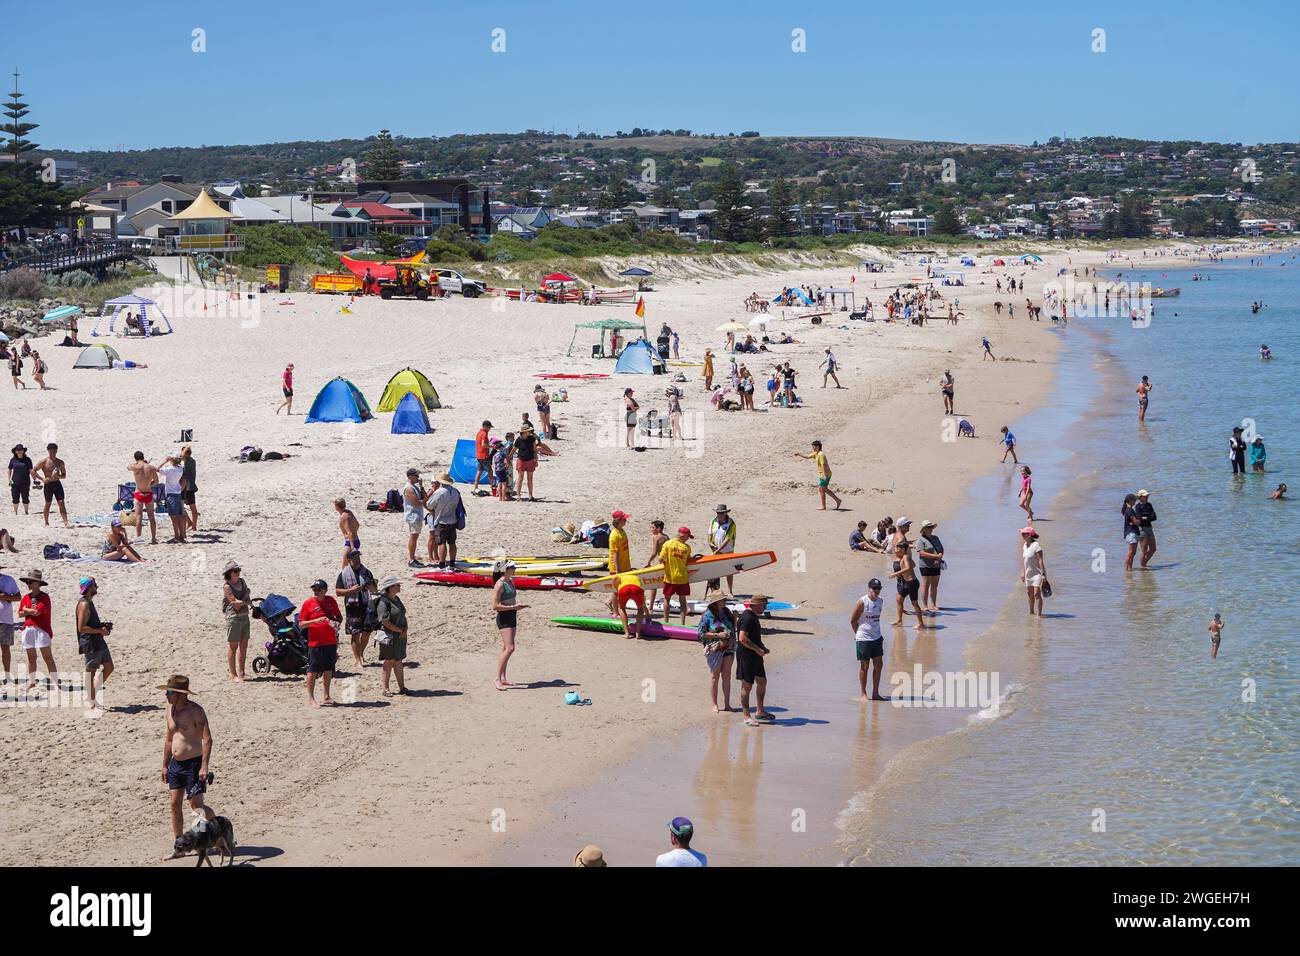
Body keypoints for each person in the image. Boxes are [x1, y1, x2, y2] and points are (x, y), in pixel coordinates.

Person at [159, 675, 216, 860]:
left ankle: (214, 827)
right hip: (176, 765)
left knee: (196, 806)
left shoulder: (195, 711)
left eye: (169, 692)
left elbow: (207, 739)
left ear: (180, 694)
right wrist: (165, 764)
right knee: (174, 804)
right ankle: (179, 847)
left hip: (193, 764)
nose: (166, 695)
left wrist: (204, 766)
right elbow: (169, 739)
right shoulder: (170, 710)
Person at [72, 576, 113, 710]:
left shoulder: (89, 601)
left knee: (109, 667)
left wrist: (102, 626)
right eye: (95, 584)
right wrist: (99, 630)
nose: (97, 586)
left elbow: (89, 623)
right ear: (90, 587)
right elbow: (81, 628)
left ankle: (92, 691)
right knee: (91, 672)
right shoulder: (84, 604)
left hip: (97, 640)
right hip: (90, 642)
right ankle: (91, 699)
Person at [300, 579, 342, 706]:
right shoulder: (308, 603)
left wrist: (335, 624)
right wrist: (315, 621)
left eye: (318, 590)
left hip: (330, 641)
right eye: (314, 590)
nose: (316, 592)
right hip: (315, 643)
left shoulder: (331, 601)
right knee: (312, 670)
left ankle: (326, 696)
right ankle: (311, 698)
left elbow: (339, 617)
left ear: (325, 590)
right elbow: (301, 624)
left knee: (328, 669)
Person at [17, 569, 58, 694]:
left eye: (30, 581)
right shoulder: (26, 597)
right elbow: (19, 613)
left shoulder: (44, 597)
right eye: (27, 582)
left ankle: (56, 684)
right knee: (31, 658)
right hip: (28, 629)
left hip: (42, 629)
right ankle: (32, 682)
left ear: (37, 583)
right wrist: (28, 610)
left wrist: (26, 610)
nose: (28, 584)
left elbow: (37, 612)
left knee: (48, 657)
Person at [735, 594, 773, 725]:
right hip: (746, 656)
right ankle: (746, 716)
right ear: (757, 605)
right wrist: (757, 649)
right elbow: (742, 638)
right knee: (747, 685)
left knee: (762, 681)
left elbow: (754, 637)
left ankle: (760, 711)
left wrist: (762, 647)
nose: (765, 607)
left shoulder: (753, 617)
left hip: (755, 655)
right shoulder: (747, 618)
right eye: (764, 605)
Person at [336, 549, 376, 668]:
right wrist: (351, 591)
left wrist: (371, 587)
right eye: (354, 558)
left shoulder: (366, 572)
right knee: (355, 634)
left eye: (358, 557)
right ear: (349, 560)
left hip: (366, 605)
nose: (357, 559)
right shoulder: (343, 574)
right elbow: (338, 591)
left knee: (367, 633)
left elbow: (375, 589)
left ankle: (361, 654)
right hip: (352, 607)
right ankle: (357, 659)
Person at [492, 560, 528, 689]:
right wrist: (514, 606)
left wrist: (516, 607)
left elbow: (510, 600)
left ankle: (503, 678)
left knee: (505, 648)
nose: (515, 568)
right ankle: (497, 679)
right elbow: (495, 606)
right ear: (505, 570)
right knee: (510, 648)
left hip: (512, 615)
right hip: (504, 617)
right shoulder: (499, 584)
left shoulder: (510, 581)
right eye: (512, 567)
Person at [851, 579, 888, 701]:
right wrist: (858, 634)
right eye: (874, 589)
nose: (877, 591)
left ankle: (875, 693)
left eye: (879, 588)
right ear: (869, 589)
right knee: (864, 666)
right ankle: (863, 693)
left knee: (879, 665)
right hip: (864, 638)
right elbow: (853, 620)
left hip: (877, 637)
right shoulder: (862, 602)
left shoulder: (881, 601)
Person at [697, 593, 735, 712]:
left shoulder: (727, 612)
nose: (724, 601)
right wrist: (717, 635)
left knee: (727, 676)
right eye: (722, 600)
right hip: (714, 648)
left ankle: (727, 704)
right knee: (715, 676)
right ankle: (714, 704)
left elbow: (733, 628)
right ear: (715, 602)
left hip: (729, 647)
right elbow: (700, 634)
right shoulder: (707, 615)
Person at [375, 575, 409, 696]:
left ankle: (402, 687)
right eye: (397, 585)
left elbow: (402, 615)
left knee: (398, 660)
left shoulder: (396, 599)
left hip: (399, 636)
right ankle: (385, 688)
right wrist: (400, 630)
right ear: (390, 587)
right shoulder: (384, 602)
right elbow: (385, 622)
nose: (399, 586)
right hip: (389, 636)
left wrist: (403, 630)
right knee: (389, 661)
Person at [425, 473, 463, 570]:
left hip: (441, 520)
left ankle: (442, 564)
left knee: (442, 543)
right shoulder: (456, 492)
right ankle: (452, 563)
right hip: (453, 519)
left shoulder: (439, 492)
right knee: (452, 542)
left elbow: (429, 505)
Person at [221, 560, 251, 682]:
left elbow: (244, 602)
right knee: (233, 646)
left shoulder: (242, 582)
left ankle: (242, 673)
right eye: (236, 571)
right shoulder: (227, 586)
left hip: (244, 616)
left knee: (244, 645)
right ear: (230, 573)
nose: (238, 573)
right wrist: (245, 599)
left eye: (239, 570)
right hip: (233, 618)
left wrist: (243, 601)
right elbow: (236, 605)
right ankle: (233, 675)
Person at [658, 527, 694, 626]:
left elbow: (660, 558)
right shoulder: (687, 548)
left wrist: (665, 561)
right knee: (682, 601)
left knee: (666, 599)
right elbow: (688, 561)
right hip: (682, 578)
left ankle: (666, 621)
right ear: (683, 536)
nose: (688, 539)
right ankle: (682, 623)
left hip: (669, 578)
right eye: (688, 537)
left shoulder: (668, 544)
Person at [795, 440, 843, 510]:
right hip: (823, 474)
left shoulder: (821, 454)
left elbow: (823, 465)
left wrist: (824, 475)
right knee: (824, 489)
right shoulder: (816, 453)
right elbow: (808, 457)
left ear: (818, 446)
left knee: (821, 489)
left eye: (814, 447)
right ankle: (837, 500)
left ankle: (824, 506)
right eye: (813, 447)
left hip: (825, 474)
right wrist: (799, 454)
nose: (813, 448)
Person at [888, 542, 926, 627]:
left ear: (903, 549)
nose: (896, 550)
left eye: (898, 548)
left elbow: (908, 568)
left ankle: (921, 624)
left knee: (914, 603)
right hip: (907, 583)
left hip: (912, 582)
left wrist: (895, 574)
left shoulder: (905, 557)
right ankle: (899, 620)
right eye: (897, 548)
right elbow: (914, 565)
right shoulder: (905, 557)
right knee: (899, 599)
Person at [513, 424, 554, 502]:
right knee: (520, 478)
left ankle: (530, 496)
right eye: (528, 431)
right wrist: (507, 458)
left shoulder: (532, 438)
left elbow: (534, 450)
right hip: (521, 460)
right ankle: (518, 496)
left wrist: (536, 459)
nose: (529, 432)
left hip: (530, 460)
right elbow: (514, 450)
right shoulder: (518, 440)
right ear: (524, 432)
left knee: (530, 479)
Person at [33, 442, 70, 529]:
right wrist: (42, 479)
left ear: (56, 451)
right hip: (48, 484)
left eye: (54, 451)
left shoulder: (60, 462)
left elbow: (64, 475)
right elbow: (33, 471)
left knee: (61, 502)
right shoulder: (44, 462)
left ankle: (66, 522)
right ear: (48, 451)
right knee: (48, 503)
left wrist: (58, 476)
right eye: (51, 451)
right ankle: (46, 523)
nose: (53, 453)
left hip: (57, 484)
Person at [127, 451, 160, 545]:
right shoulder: (151, 467)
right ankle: (153, 538)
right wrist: (150, 484)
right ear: (143, 457)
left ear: (135, 458)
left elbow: (128, 466)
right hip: (148, 493)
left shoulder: (135, 467)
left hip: (139, 493)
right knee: (151, 517)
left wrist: (137, 463)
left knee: (138, 517)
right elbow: (156, 481)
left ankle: (139, 539)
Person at [706, 504, 737, 595]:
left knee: (729, 571)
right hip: (715, 550)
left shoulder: (731, 523)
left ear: (725, 513)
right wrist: (709, 543)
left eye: (721, 513)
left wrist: (717, 550)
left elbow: (727, 539)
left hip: (727, 551)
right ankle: (715, 591)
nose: (719, 515)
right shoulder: (713, 521)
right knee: (715, 570)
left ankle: (730, 591)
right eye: (718, 513)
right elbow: (709, 534)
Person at [916, 520, 944, 615]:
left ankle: (933, 604)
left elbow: (941, 550)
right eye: (929, 527)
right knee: (925, 585)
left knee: (934, 586)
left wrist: (939, 558)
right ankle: (925, 605)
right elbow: (921, 553)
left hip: (936, 565)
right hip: (925, 565)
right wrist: (935, 557)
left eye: (931, 527)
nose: (931, 529)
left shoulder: (936, 538)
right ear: (924, 529)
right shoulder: (921, 540)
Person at [606, 510, 632, 612]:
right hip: (616, 566)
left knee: (624, 587)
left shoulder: (622, 531)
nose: (626, 520)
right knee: (616, 590)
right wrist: (617, 570)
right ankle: (616, 612)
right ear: (619, 520)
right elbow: (614, 553)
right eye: (624, 518)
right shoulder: (614, 535)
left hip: (625, 564)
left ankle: (609, 602)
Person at [402, 468, 427, 568]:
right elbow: (417, 502)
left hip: (417, 514)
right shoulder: (409, 488)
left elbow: (423, 497)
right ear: (410, 476)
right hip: (413, 515)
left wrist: (421, 487)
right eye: (416, 476)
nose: (418, 477)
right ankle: (411, 559)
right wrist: (425, 499)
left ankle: (413, 558)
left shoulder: (414, 487)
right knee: (413, 537)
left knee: (415, 537)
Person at [158, 455, 186, 544]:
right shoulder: (180, 468)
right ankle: (182, 536)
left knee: (174, 517)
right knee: (179, 516)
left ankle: (177, 537)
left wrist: (165, 461)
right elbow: (184, 481)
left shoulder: (170, 469)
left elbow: (157, 469)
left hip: (171, 494)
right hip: (177, 494)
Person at [0, 561, 20, 683]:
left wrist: (5, 597)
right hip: (6, 619)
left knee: (5, 648)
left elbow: (18, 597)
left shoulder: (8, 580)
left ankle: (7, 675)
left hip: (6, 620)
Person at [1020, 527, 1046, 617]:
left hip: (1038, 573)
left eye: (1024, 533)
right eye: (1022, 533)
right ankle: (1031, 612)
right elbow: (1024, 560)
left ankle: (1039, 615)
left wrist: (1043, 574)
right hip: (1028, 573)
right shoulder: (1024, 545)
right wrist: (1023, 573)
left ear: (1029, 535)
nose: (1022, 535)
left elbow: (1040, 560)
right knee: (1029, 594)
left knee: (1037, 594)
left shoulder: (1036, 545)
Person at [614, 571, 647, 640]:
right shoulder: (637, 577)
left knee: (622, 608)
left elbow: (614, 581)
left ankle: (627, 633)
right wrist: (648, 615)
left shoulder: (621, 575)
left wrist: (617, 589)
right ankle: (638, 633)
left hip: (624, 589)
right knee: (640, 609)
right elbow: (644, 604)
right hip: (637, 589)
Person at [644, 519, 669, 610]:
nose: (651, 529)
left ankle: (650, 608)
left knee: (653, 585)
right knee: (667, 583)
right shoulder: (666, 536)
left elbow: (654, 553)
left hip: (661, 562)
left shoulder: (656, 537)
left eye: (653, 528)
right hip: (668, 562)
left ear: (658, 529)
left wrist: (648, 562)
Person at [1133, 489, 1157, 568]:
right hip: (1142, 529)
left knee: (1153, 549)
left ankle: (1143, 564)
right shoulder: (1138, 506)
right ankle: (1143, 566)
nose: (1147, 497)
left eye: (1147, 496)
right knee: (1144, 550)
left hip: (1149, 528)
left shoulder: (1149, 505)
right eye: (1145, 496)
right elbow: (1139, 518)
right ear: (1140, 497)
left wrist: (1145, 518)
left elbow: (1154, 517)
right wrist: (1147, 518)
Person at [9, 443, 32, 515]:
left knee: (25, 497)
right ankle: (16, 512)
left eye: (21, 450)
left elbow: (31, 470)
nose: (19, 451)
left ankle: (26, 511)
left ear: (23, 451)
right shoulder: (13, 460)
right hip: (15, 482)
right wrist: (9, 479)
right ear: (15, 451)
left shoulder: (27, 460)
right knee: (15, 497)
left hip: (25, 482)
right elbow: (9, 469)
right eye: (18, 450)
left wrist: (35, 479)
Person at [179, 445, 199, 533]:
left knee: (193, 508)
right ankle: (189, 522)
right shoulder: (186, 461)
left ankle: (194, 526)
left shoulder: (190, 461)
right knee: (181, 507)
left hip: (189, 488)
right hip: (184, 487)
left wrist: (187, 447)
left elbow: (182, 455)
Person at [473, 420, 495, 496]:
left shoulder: (479, 433)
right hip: (484, 456)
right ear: (485, 427)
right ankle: (493, 487)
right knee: (490, 471)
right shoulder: (484, 434)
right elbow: (483, 445)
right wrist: (492, 446)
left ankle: (475, 487)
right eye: (489, 427)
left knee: (479, 471)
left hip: (478, 455)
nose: (490, 429)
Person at [1121, 493, 1140, 572]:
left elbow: (1133, 522)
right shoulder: (1130, 510)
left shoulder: (1127, 510)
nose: (1135, 501)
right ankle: (1126, 569)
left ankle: (1129, 569)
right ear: (1130, 501)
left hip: (1130, 533)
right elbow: (1136, 522)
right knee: (1131, 553)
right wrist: (1141, 520)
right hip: (1132, 533)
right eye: (1134, 500)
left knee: (1132, 553)